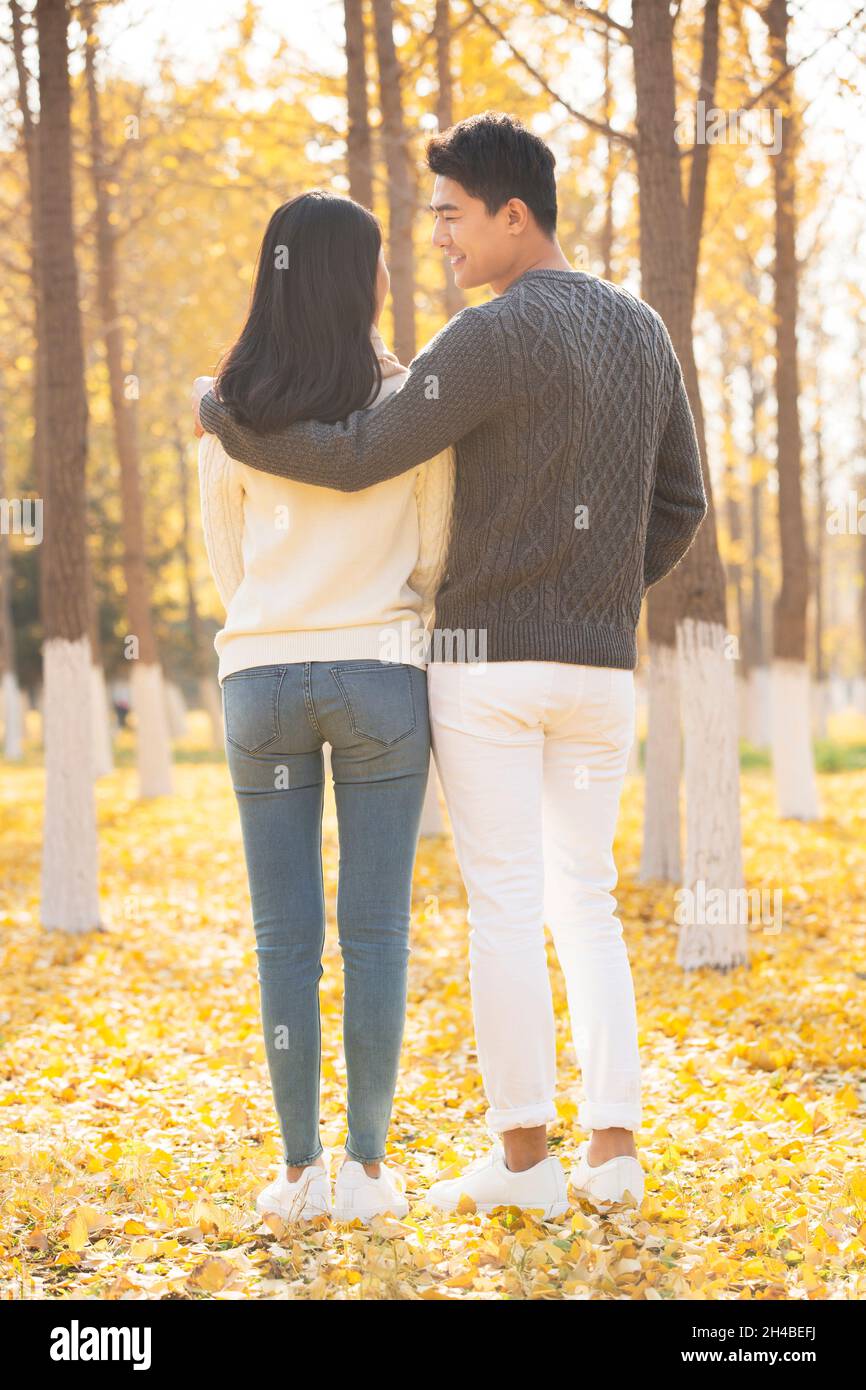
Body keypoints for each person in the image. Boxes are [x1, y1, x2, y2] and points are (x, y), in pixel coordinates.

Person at [196, 112, 707, 1217]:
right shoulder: (642, 329)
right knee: (590, 901)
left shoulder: (485, 338)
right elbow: (681, 503)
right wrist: (603, 593)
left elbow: (357, 455)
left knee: (504, 902)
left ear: (510, 216)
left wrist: (222, 418)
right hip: (598, 669)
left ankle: (523, 1160)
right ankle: (611, 1150)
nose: (437, 242)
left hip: (483, 659)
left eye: (450, 218)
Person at [196, 190, 454, 1223]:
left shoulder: (230, 412)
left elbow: (226, 562)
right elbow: (433, 556)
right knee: (377, 929)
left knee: (283, 935)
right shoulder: (411, 405)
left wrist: (283, 620)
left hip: (259, 679)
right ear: (364, 280)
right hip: (380, 673)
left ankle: (297, 1172)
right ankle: (368, 1171)